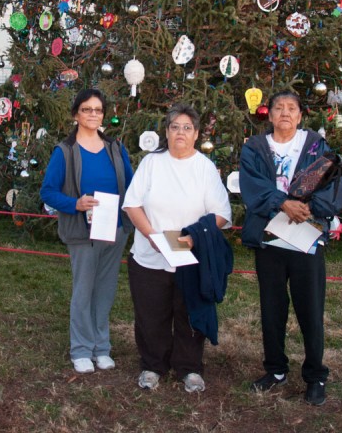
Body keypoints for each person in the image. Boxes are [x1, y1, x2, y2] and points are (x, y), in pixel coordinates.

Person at [239, 91, 342, 406]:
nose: (284, 113)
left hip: (306, 236)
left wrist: (312, 208)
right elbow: (253, 188)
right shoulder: (255, 148)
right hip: (269, 238)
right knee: (272, 309)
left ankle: (315, 375)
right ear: (269, 115)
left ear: (300, 115)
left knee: (310, 309)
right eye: (278, 108)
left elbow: (336, 181)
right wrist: (283, 203)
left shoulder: (317, 147)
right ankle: (275, 370)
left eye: (291, 108)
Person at [122, 103, 232, 393]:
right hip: (150, 255)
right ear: (166, 133)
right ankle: (152, 365)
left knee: (189, 313)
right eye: (174, 127)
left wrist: (193, 238)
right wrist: (151, 236)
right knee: (151, 314)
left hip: (190, 255)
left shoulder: (205, 168)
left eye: (186, 127)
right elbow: (132, 204)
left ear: (196, 134)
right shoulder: (152, 163)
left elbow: (221, 213)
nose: (180, 132)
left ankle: (190, 367)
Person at [40, 88, 134, 374]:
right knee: (84, 290)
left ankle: (101, 347)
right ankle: (81, 349)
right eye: (86, 109)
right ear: (76, 114)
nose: (93, 114)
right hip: (83, 233)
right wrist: (75, 204)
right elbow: (47, 191)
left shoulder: (116, 149)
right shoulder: (65, 151)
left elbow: (132, 187)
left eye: (98, 109)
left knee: (105, 291)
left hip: (115, 229)